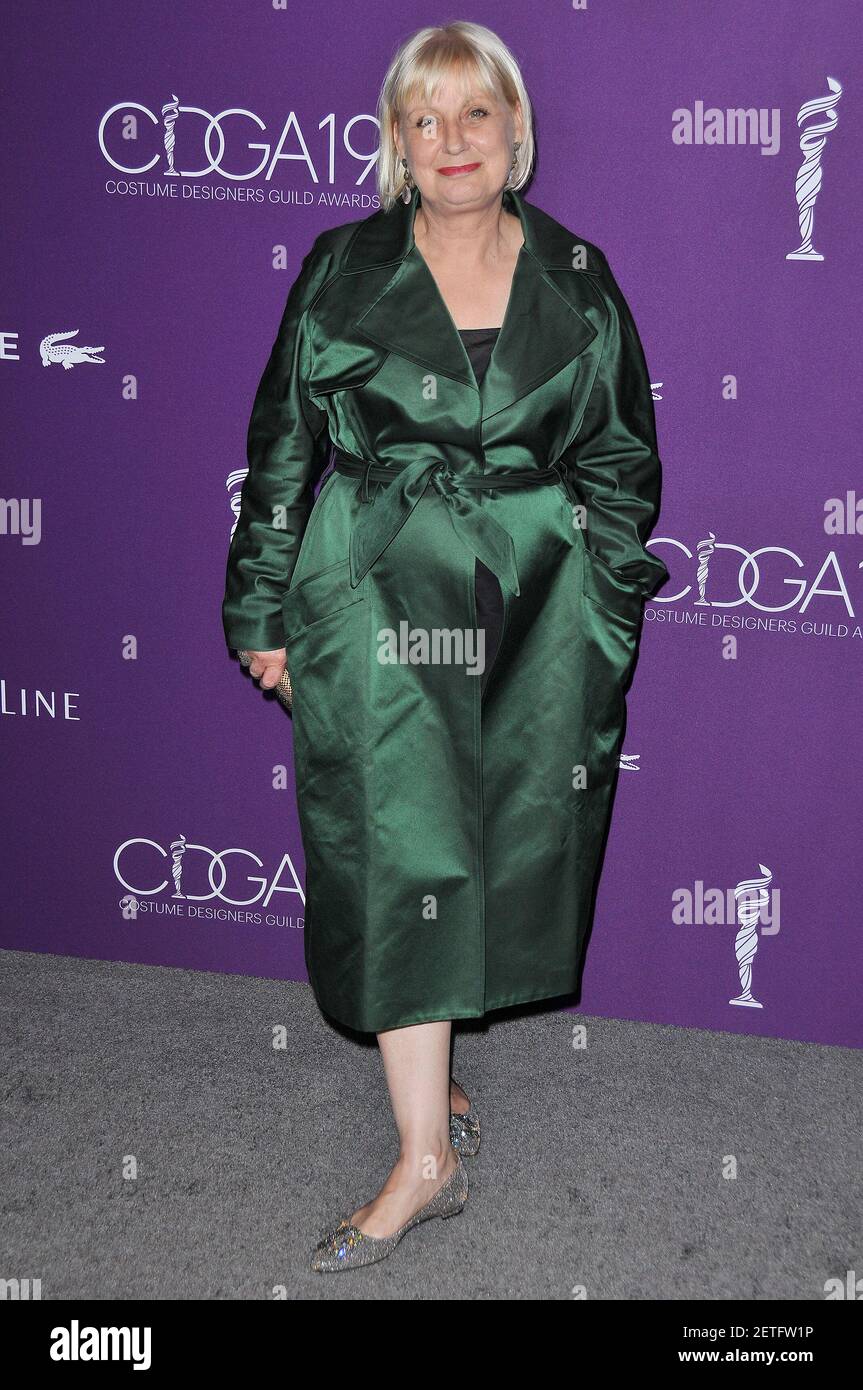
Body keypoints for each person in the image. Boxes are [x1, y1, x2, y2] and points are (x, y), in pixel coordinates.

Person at [222, 20, 670, 1273]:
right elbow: (280, 453)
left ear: (516, 135)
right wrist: (261, 607)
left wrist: (605, 601)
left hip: (537, 606)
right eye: (427, 119)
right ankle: (425, 1161)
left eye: (477, 115)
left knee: (494, 845)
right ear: (395, 147)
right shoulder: (339, 270)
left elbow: (623, 462)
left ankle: (432, 1091)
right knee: (396, 845)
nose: (454, 140)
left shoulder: (578, 277)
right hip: (374, 585)